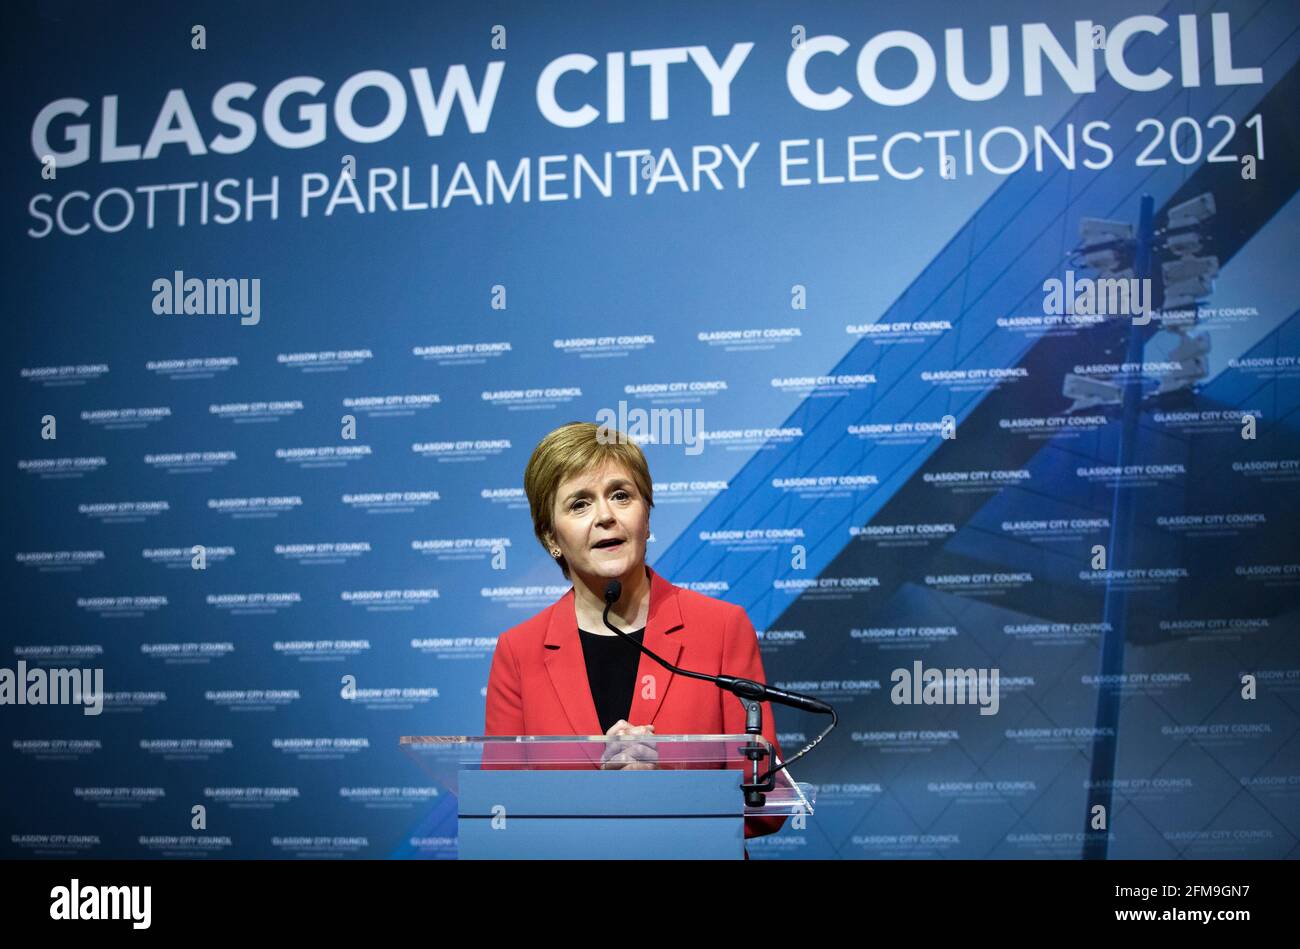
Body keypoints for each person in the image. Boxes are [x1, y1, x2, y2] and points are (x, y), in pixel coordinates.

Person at [484, 420, 787, 843]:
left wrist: (666, 788)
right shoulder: (519, 651)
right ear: (551, 536)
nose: (605, 516)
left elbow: (767, 805)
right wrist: (602, 796)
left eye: (621, 495)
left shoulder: (721, 628)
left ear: (646, 517)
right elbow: (498, 817)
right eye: (579, 504)